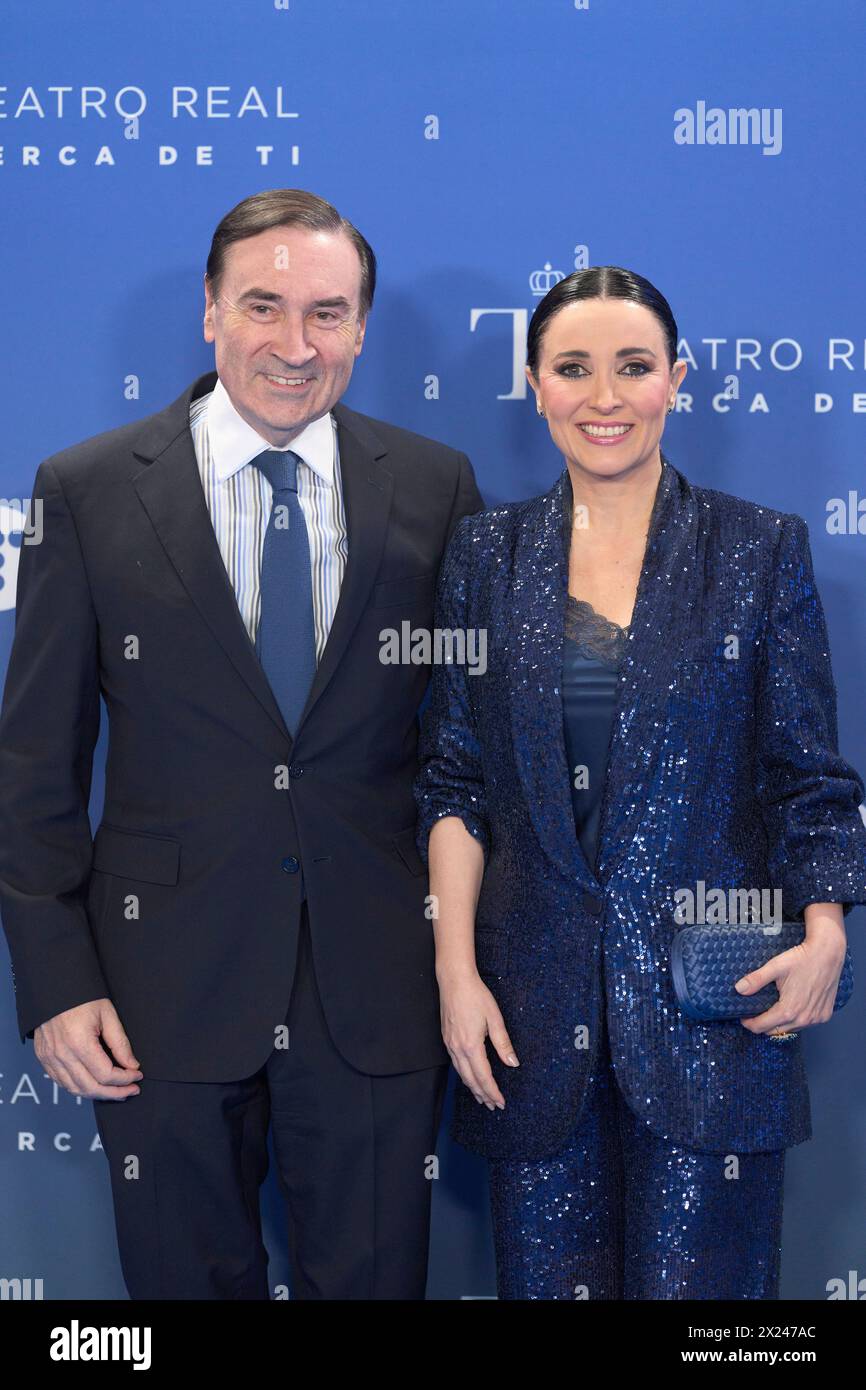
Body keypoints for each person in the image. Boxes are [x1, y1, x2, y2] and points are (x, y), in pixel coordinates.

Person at [0, 188, 484, 1300]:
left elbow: (467, 748)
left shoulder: (433, 486)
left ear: (361, 328)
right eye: (262, 306)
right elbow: (34, 766)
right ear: (209, 310)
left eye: (326, 312)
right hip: (157, 984)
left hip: (373, 982)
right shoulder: (86, 491)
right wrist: (56, 979)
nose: (293, 344)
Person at [414, 265, 866, 1300]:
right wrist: (454, 975)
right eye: (572, 368)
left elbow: (808, 778)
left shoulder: (759, 551)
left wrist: (827, 934)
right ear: (534, 384)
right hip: (525, 1023)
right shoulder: (483, 557)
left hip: (715, 1022)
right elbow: (454, 781)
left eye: (631, 367)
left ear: (676, 379)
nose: (603, 396)